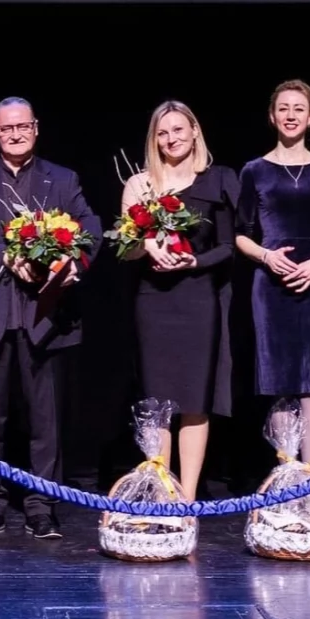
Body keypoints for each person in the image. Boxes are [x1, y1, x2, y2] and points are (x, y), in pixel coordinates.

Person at [0, 96, 102, 539]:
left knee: (45, 423)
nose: (15, 134)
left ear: (36, 128)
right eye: (6, 128)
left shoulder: (62, 179)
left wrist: (74, 264)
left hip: (46, 317)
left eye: (23, 126)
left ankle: (41, 505)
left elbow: (91, 227)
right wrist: (4, 258)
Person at [234, 79, 310, 471]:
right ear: (272, 116)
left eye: (298, 108)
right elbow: (239, 234)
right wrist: (268, 257)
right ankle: (288, 479)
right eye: (283, 108)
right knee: (282, 387)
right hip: (272, 288)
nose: (291, 115)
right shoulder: (254, 171)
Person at [119, 100, 237, 500]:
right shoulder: (140, 185)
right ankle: (161, 493)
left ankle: (186, 499)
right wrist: (147, 245)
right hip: (153, 301)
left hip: (198, 299)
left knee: (194, 400)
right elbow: (125, 250)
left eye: (178, 130)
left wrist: (193, 261)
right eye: (162, 133)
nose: (171, 139)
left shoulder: (218, 179)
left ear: (194, 132)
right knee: (156, 402)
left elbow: (228, 246)